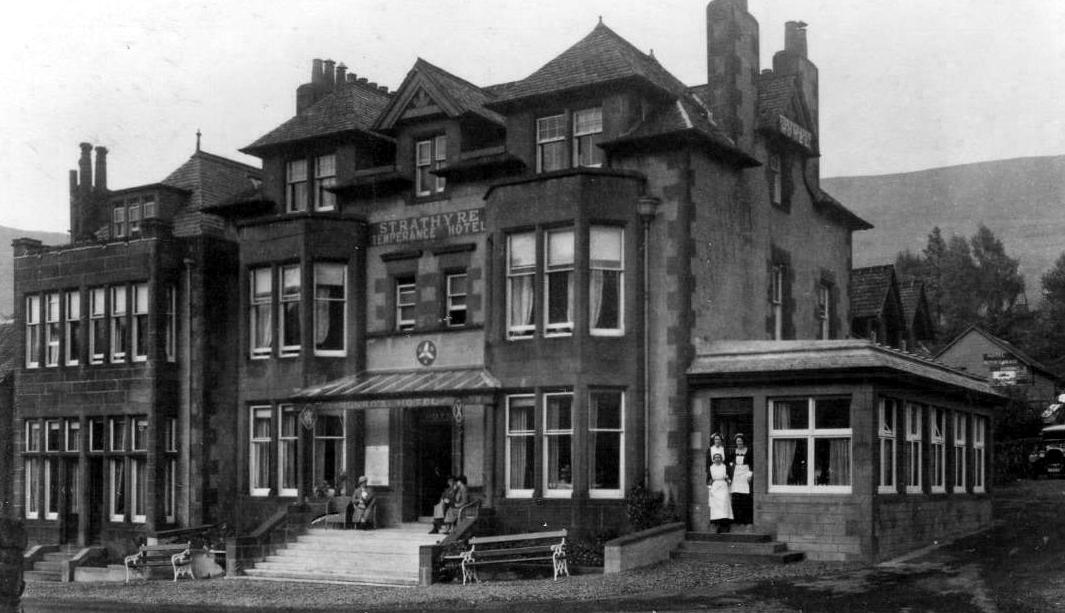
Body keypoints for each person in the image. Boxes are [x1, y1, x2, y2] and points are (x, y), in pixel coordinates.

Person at [729, 433, 753, 525]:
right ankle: (737, 519)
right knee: (736, 497)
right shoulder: (734, 451)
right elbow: (730, 462)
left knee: (745, 498)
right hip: (736, 475)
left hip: (745, 474)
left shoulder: (748, 451)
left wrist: (750, 475)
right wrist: (731, 466)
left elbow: (751, 464)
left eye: (740, 441)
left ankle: (745, 519)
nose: (739, 443)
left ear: (743, 442)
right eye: (737, 441)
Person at [707, 453, 733, 533]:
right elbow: (708, 479)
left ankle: (725, 525)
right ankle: (718, 526)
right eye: (715, 458)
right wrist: (710, 489)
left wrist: (728, 479)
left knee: (724, 505)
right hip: (715, 487)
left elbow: (729, 478)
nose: (717, 459)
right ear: (713, 459)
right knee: (716, 507)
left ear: (721, 459)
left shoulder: (725, 467)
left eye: (719, 457)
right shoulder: (711, 468)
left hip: (723, 486)